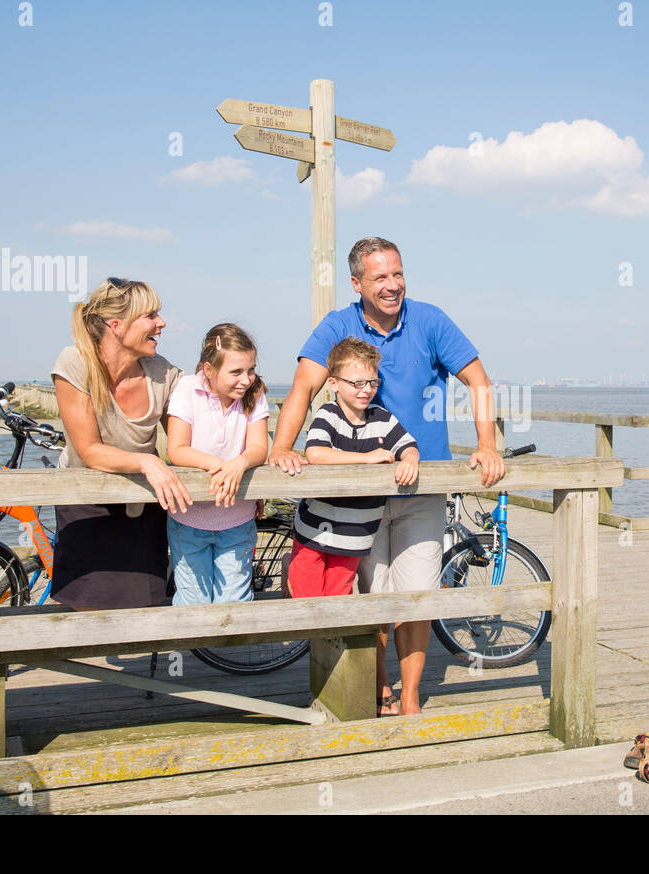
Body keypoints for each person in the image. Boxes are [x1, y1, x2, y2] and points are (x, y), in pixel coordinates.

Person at [269, 237, 505, 716]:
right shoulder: (338, 325)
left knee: (416, 597)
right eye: (380, 277)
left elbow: (478, 381)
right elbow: (303, 386)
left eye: (397, 274)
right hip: (360, 496)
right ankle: (379, 689)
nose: (393, 285)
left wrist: (487, 446)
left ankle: (412, 697)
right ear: (357, 284)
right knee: (374, 595)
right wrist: (279, 447)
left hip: (422, 486)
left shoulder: (430, 320)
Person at [51, 277, 192, 611]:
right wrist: (147, 461)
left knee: (143, 608)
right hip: (87, 504)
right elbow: (88, 450)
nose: (162, 322)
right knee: (84, 610)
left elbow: (187, 440)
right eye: (150, 315)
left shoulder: (164, 373)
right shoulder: (76, 363)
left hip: (142, 505)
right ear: (116, 325)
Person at [291, 338, 419, 611]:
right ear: (334, 383)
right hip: (314, 528)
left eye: (372, 382)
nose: (366, 390)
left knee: (337, 601)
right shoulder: (329, 415)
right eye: (357, 383)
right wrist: (367, 459)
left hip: (355, 534)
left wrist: (410, 460)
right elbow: (316, 453)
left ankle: (333, 649)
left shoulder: (382, 419)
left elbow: (408, 445)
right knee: (306, 599)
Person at [165, 323, 271, 606]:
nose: (246, 379)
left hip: (237, 519)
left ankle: (228, 648)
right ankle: (187, 651)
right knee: (193, 601)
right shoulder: (187, 389)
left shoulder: (255, 393)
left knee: (234, 601)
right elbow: (176, 449)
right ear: (209, 370)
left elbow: (259, 447)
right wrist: (218, 464)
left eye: (250, 369)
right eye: (235, 372)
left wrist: (240, 463)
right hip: (188, 518)